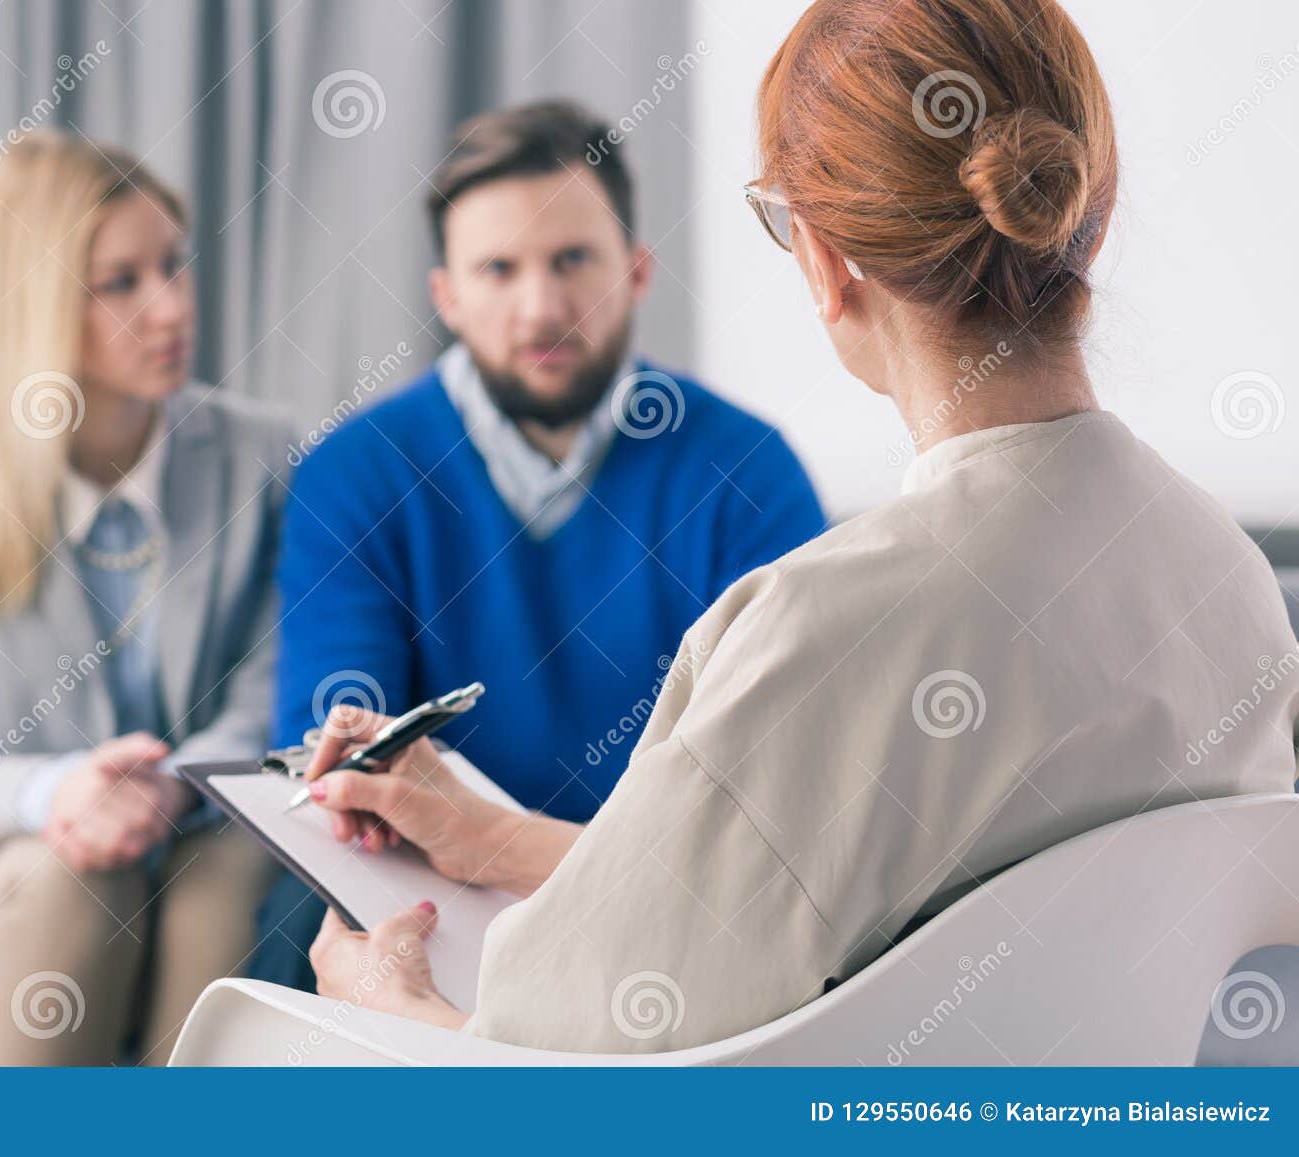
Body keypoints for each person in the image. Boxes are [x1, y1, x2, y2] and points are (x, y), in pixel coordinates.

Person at [297, 0, 1299, 1053]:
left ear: (822, 261)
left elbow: (564, 1061)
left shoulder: (818, 631)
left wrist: (386, 1010)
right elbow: (756, 891)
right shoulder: (1229, 589)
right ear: (1082, 216)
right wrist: (495, 838)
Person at [258, 100, 825, 983]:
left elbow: (773, 795)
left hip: (672, 909)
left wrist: (532, 857)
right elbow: (332, 753)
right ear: (445, 296)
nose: (542, 307)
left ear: (636, 271)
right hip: (424, 893)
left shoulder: (745, 470)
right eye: (497, 269)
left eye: (572, 260)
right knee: (294, 917)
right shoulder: (353, 473)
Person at [0, 132, 288, 1066]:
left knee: (230, 883)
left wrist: (170, 785)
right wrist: (62, 791)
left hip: (200, 823)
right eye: (120, 282)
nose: (172, 306)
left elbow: (270, 698)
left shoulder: (260, 455)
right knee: (71, 882)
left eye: (174, 265)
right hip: (17, 868)